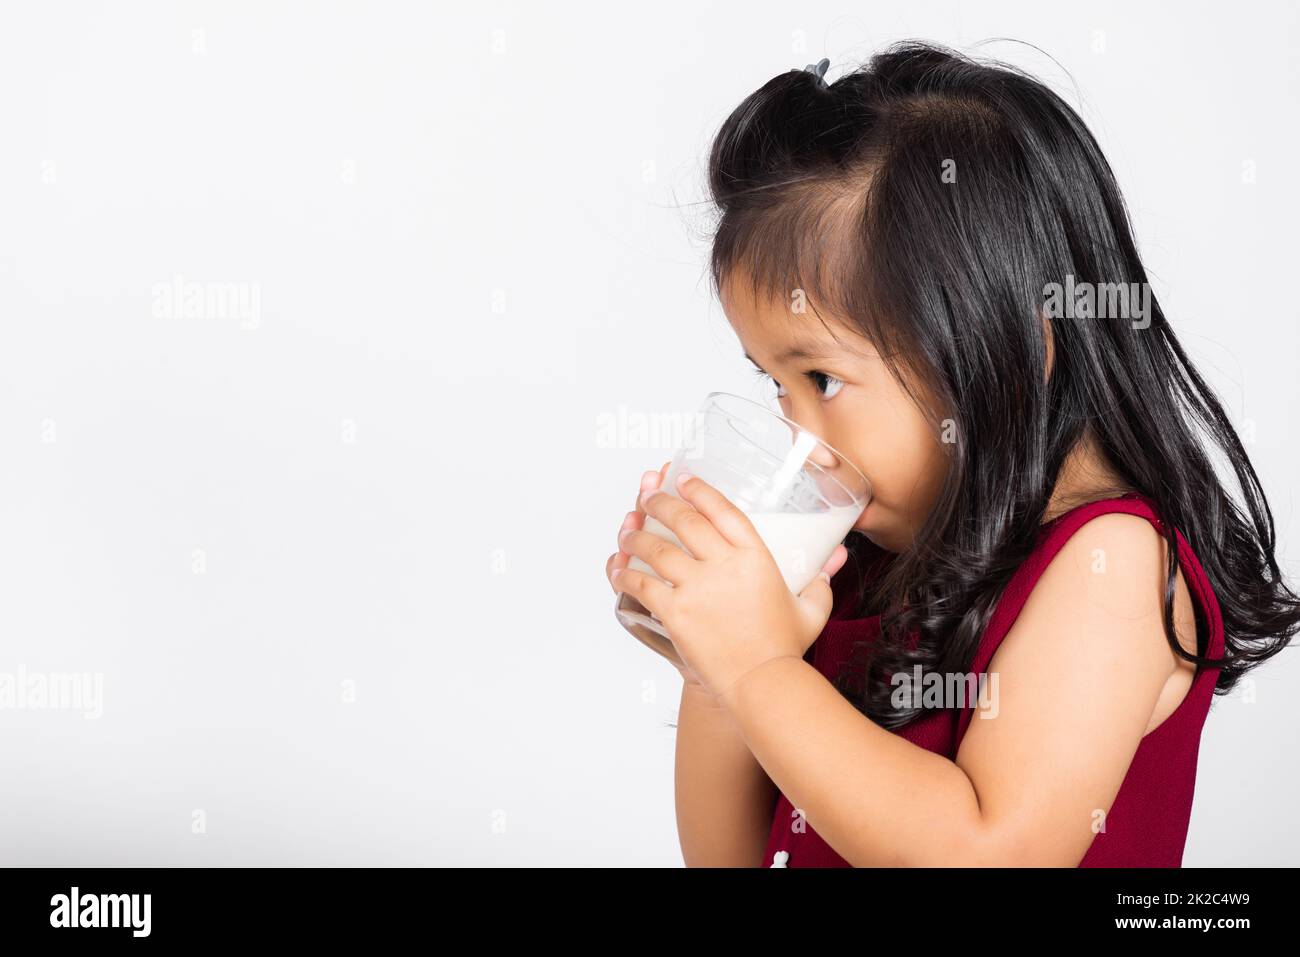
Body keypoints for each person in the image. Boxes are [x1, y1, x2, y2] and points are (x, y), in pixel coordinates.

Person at [605, 40, 1300, 866]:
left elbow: (988, 851)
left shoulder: (1109, 565)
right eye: (774, 385)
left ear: (1004, 345)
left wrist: (757, 666)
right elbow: (726, 857)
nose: (799, 441)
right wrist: (714, 666)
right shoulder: (861, 556)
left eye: (822, 378)